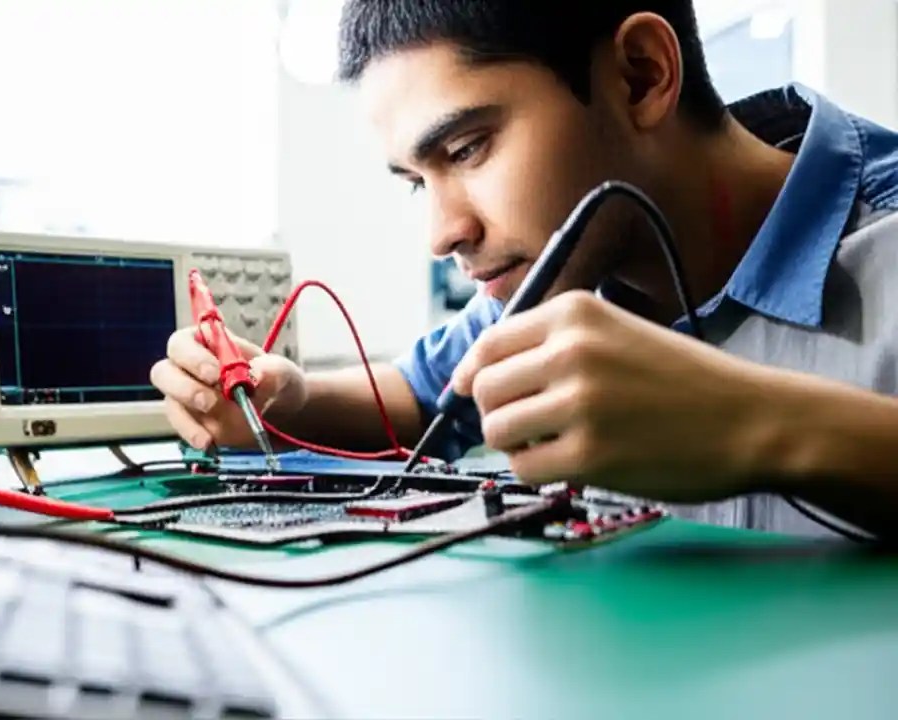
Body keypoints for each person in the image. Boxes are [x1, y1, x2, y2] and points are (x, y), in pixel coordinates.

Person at [150, 0, 898, 539]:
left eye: (469, 149)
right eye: (418, 181)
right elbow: (422, 398)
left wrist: (759, 425)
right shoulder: (569, 270)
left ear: (641, 76)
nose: (443, 234)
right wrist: (286, 400)